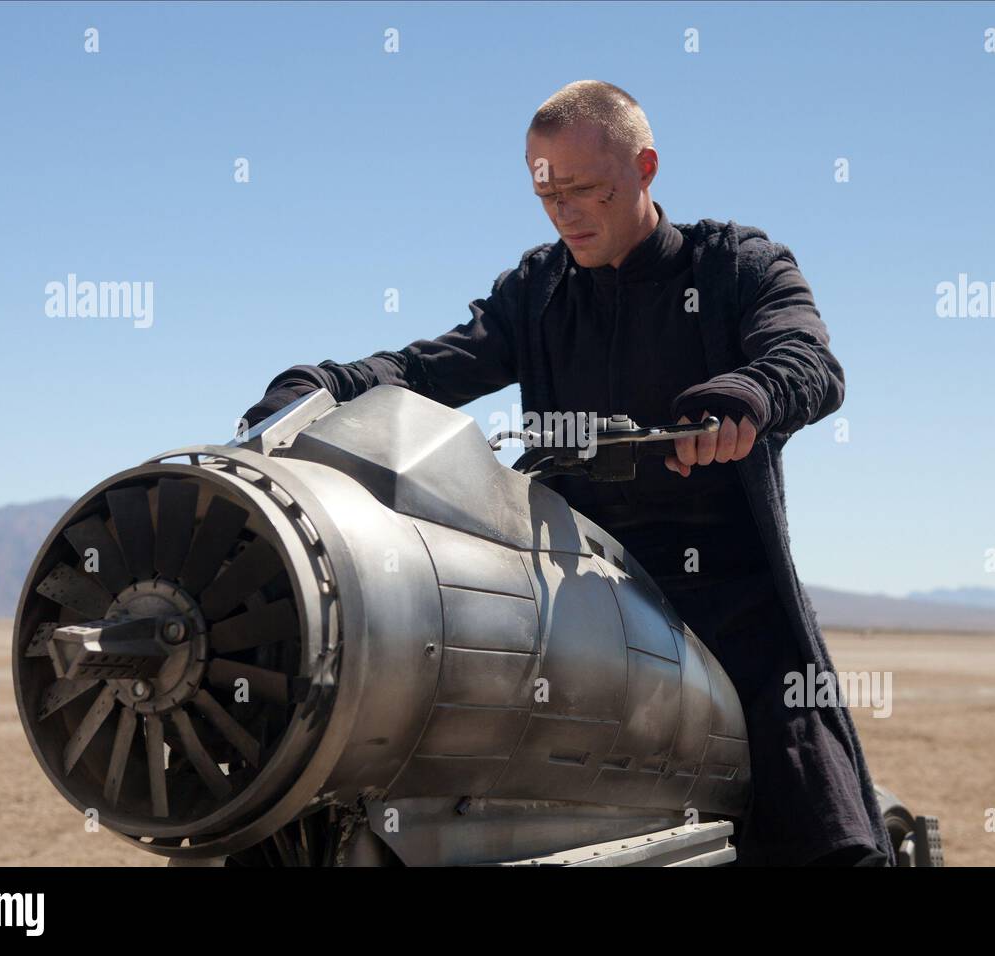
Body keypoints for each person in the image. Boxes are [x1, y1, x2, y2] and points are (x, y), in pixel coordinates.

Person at [242, 80, 892, 867]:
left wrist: (747, 395)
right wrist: (327, 385)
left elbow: (808, 361)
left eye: (587, 190)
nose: (566, 214)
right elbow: (425, 368)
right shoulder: (538, 291)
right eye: (548, 195)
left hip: (728, 593)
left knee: (825, 828)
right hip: (570, 587)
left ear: (646, 167)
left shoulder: (737, 267)